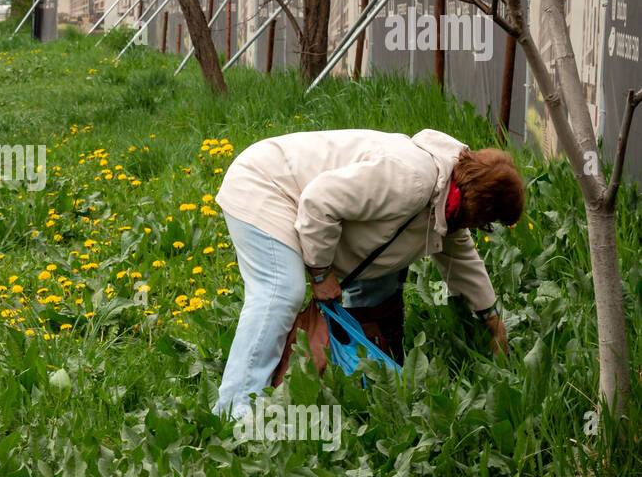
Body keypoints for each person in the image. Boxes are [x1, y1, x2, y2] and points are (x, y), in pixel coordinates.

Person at [211, 129, 525, 420]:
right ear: (477, 206)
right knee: (281, 291)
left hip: (291, 193)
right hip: (265, 185)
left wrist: (493, 321)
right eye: (486, 221)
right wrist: (320, 274)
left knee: (385, 272)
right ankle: (235, 409)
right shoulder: (412, 178)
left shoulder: (447, 192)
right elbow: (318, 201)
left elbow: (461, 258)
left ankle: (360, 378)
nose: (481, 228)